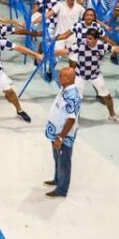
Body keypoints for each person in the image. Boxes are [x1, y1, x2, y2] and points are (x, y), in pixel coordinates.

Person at [44, 67, 81, 198]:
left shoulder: (72, 96)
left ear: (69, 79)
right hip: (56, 133)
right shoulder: (64, 89)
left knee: (64, 161)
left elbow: (71, 119)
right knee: (57, 158)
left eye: (61, 75)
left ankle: (61, 190)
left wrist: (60, 137)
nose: (58, 77)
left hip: (63, 135)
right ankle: (57, 179)